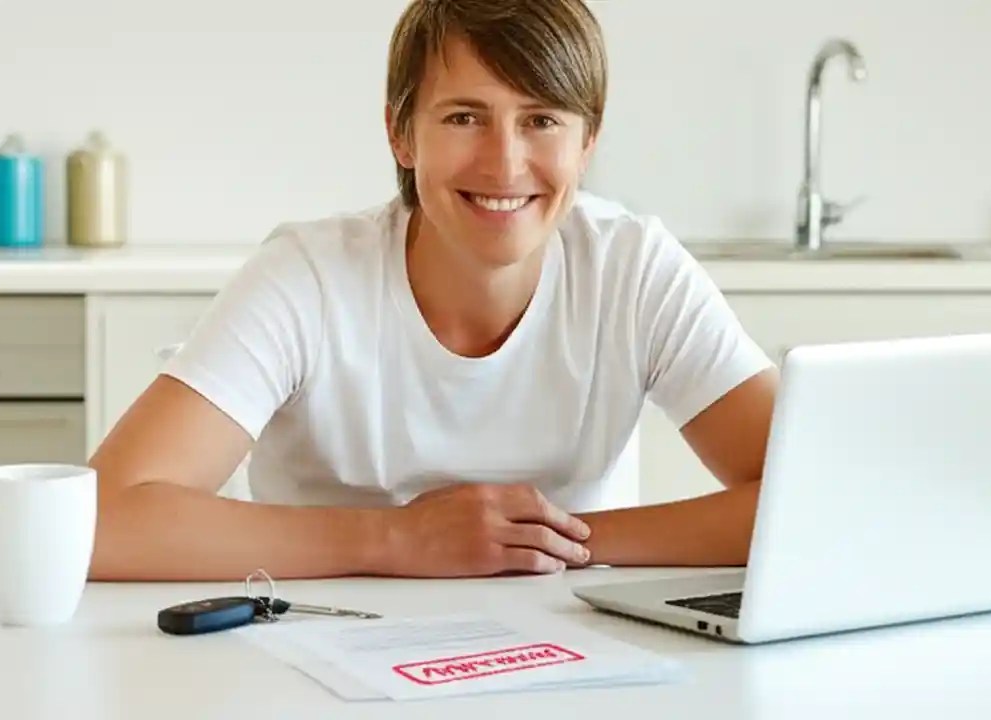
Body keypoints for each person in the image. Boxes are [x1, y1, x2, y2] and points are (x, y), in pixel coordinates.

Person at [87, 0, 778, 582]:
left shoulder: (633, 267)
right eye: (463, 117)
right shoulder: (309, 276)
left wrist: (548, 542)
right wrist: (398, 540)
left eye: (541, 120)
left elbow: (822, 494)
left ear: (587, 141)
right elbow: (103, 518)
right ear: (400, 134)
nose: (505, 163)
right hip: (323, 650)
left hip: (572, 657)